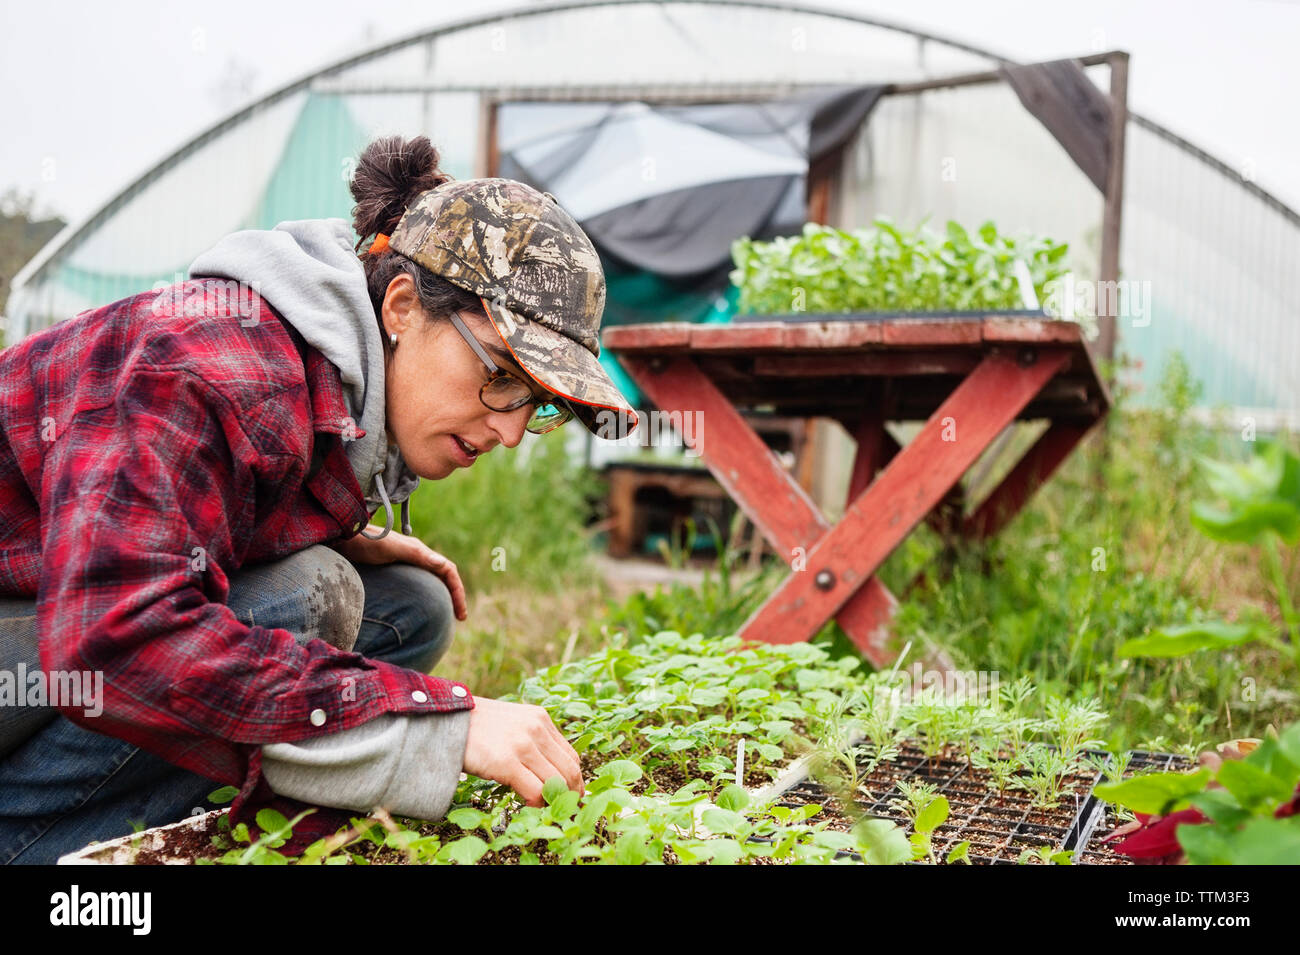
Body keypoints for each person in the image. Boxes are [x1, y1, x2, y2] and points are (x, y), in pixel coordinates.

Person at [0, 135, 640, 864]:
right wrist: (440, 726)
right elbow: (111, 635)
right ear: (401, 305)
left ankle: (195, 815)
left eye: (539, 404)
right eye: (500, 375)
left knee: (405, 603)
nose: (511, 429)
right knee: (308, 593)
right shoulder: (212, 362)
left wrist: (319, 529)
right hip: (70, 638)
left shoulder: (321, 377)